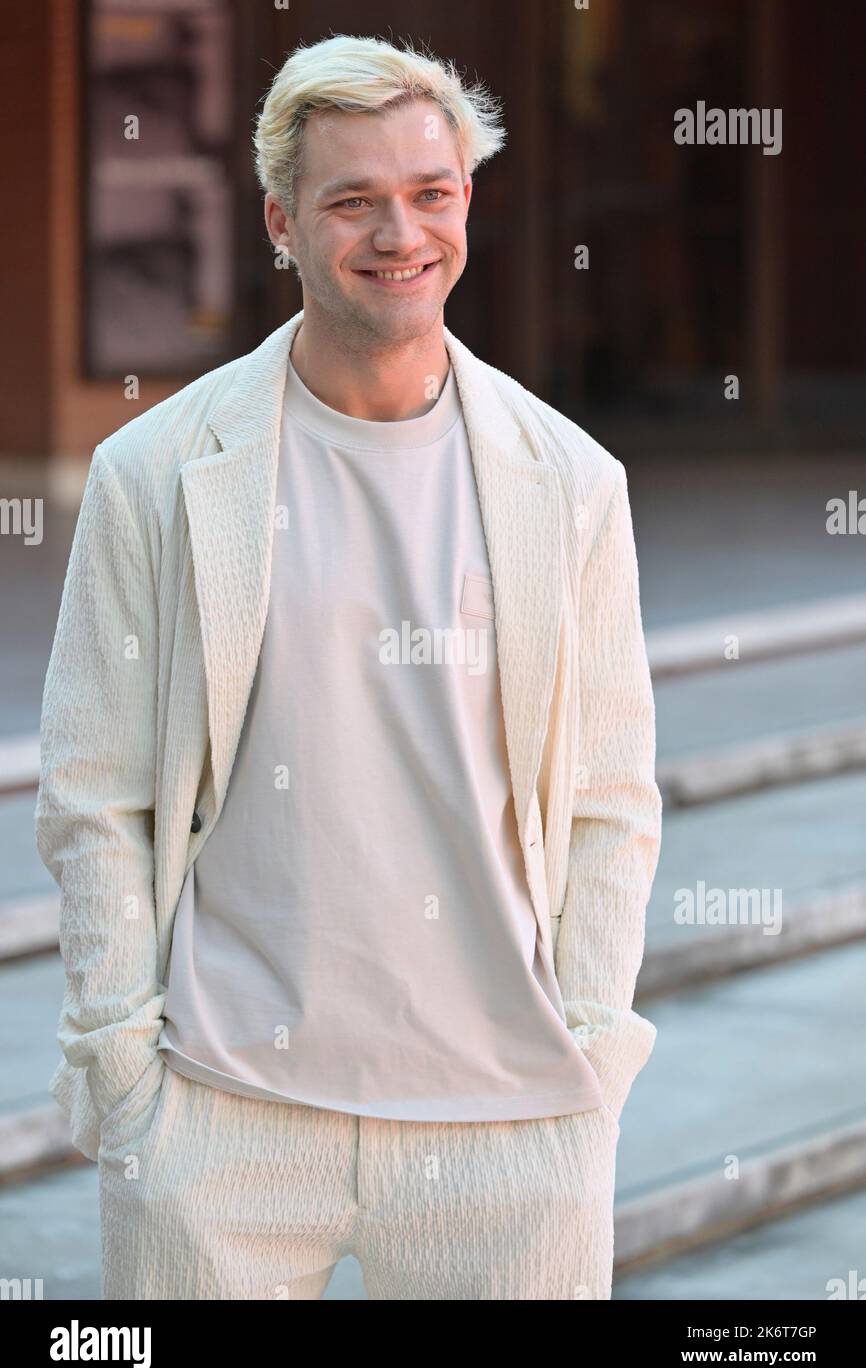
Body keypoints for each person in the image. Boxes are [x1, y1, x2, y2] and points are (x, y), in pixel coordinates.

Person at [35, 33, 662, 1300]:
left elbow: (608, 799)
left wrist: (590, 1057)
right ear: (280, 219)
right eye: (351, 200)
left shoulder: (574, 484)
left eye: (429, 193)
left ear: (465, 203)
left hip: (509, 1126)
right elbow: (91, 792)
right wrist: (126, 1070)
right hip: (223, 1119)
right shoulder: (152, 476)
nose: (398, 233)